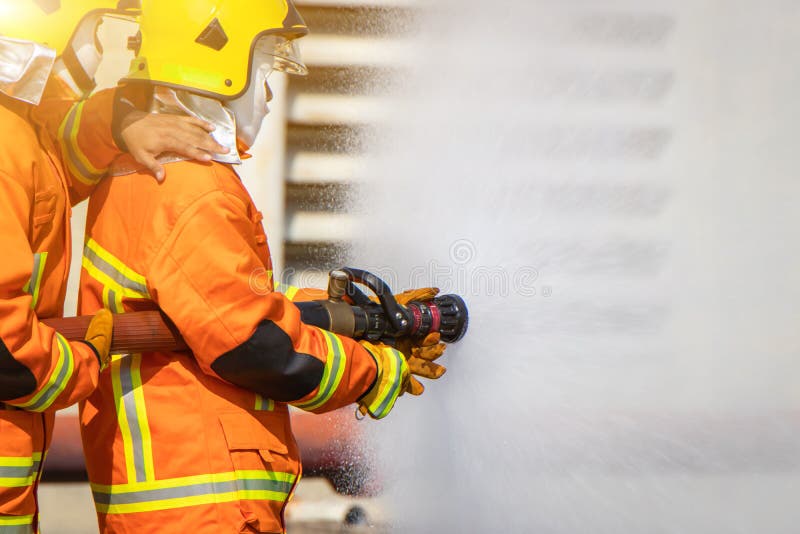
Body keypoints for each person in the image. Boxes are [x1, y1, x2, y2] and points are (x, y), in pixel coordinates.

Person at [77, 0, 446, 532]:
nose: (270, 94)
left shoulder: (140, 172)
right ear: (215, 65)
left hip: (176, 499)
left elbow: (224, 303)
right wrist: (374, 372)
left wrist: (355, 318)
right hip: (208, 507)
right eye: (265, 70)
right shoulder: (193, 192)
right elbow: (253, 345)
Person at [0, 2, 227, 532]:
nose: (97, 50)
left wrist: (123, 124)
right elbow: (5, 355)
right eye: (92, 30)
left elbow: (52, 166)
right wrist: (84, 361)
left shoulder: (17, 128)